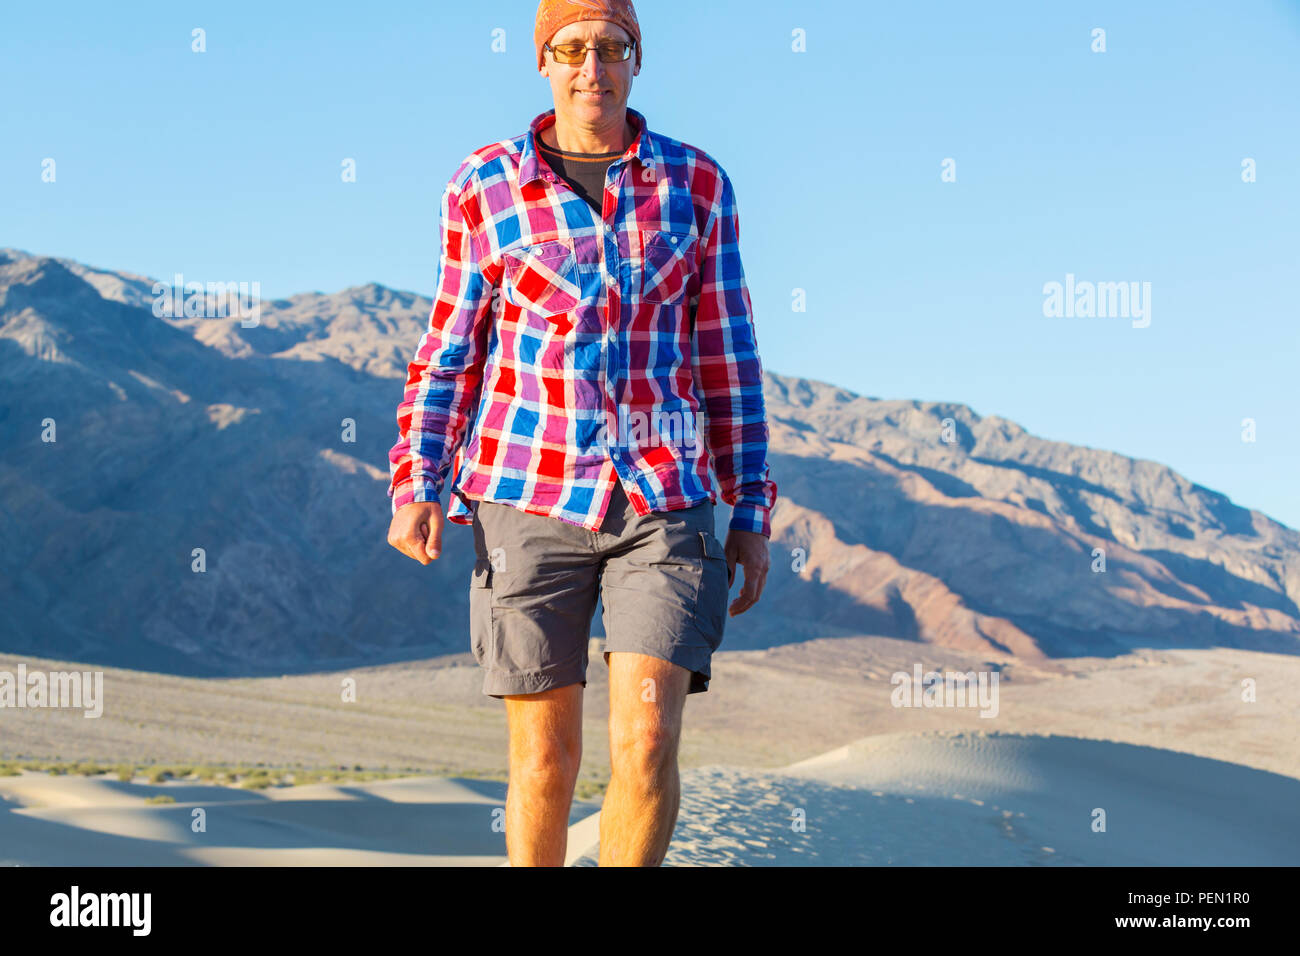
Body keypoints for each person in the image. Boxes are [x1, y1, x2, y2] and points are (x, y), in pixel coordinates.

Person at [385, 0, 777, 866]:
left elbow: (729, 357)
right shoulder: (485, 186)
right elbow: (450, 350)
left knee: (644, 743)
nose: (590, 67)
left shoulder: (697, 185)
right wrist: (418, 482)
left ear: (637, 60)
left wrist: (750, 508)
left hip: (663, 500)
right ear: (542, 63)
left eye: (610, 48)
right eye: (569, 49)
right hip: (526, 493)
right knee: (546, 760)